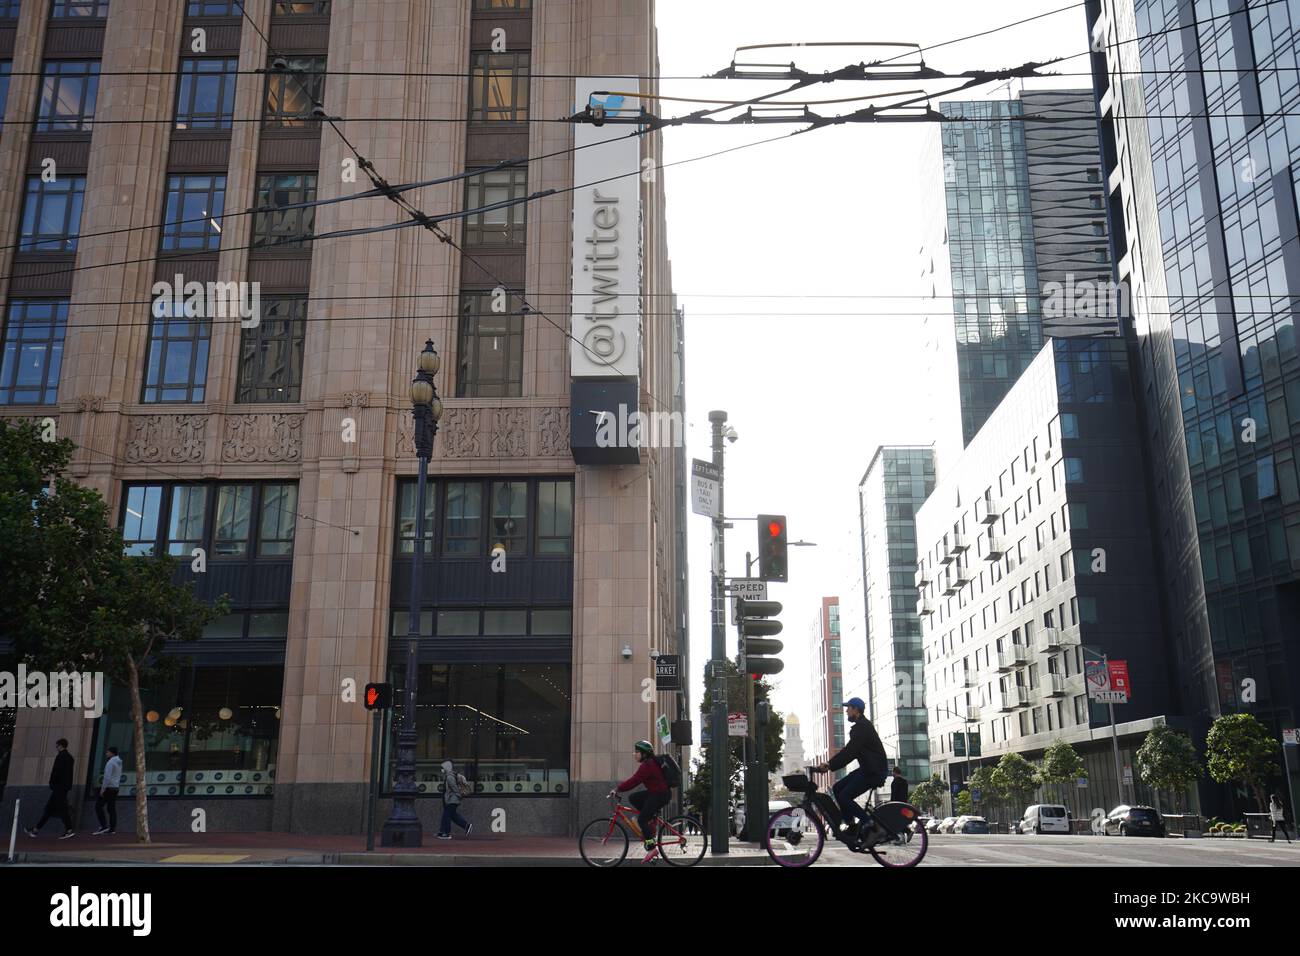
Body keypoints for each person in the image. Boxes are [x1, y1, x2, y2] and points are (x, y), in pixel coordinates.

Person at [813, 698, 888, 844]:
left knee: (845, 797)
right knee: (837, 788)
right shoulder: (860, 727)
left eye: (848, 708)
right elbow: (850, 752)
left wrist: (829, 765)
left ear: (856, 709)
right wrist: (830, 765)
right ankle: (852, 825)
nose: (846, 711)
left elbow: (850, 752)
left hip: (874, 772)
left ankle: (873, 826)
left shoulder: (862, 728)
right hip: (868, 769)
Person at [610, 740, 670, 863]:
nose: (634, 754)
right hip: (657, 793)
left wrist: (618, 789)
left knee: (641, 820)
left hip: (660, 795)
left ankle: (652, 848)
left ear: (644, 754)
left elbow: (634, 780)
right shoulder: (649, 763)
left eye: (637, 752)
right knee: (633, 797)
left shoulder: (648, 765)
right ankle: (650, 819)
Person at [26, 738, 76, 839]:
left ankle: (69, 829)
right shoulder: (70, 757)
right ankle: (36, 830)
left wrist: (52, 783)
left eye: (57, 746)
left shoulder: (60, 757)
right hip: (64, 786)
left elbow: (56, 772)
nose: (56, 747)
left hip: (59, 787)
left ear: (60, 745)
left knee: (62, 809)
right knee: (50, 809)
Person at [436, 759, 472, 840]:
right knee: (452, 816)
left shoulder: (449, 777)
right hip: (450, 800)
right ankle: (466, 826)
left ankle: (446, 833)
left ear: (447, 767)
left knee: (447, 816)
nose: (442, 769)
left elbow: (454, 788)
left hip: (452, 800)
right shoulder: (450, 775)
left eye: (443, 767)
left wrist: (458, 796)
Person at [93, 746, 123, 835]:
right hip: (115, 788)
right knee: (111, 809)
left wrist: (102, 789)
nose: (106, 754)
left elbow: (107, 777)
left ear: (112, 753)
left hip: (108, 788)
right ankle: (112, 828)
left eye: (107, 752)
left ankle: (103, 826)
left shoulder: (110, 763)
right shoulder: (119, 762)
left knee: (98, 806)